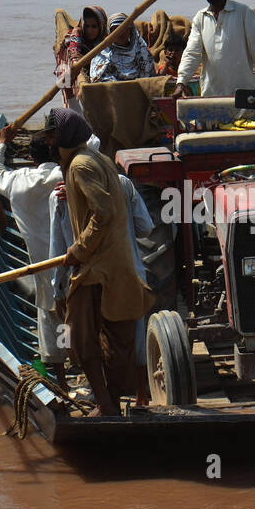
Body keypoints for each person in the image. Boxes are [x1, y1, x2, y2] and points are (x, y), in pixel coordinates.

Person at [43, 108, 151, 417]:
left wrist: (78, 249)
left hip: (96, 268)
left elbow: (102, 213)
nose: (50, 141)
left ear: (64, 137)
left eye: (52, 135)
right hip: (120, 267)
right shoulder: (102, 160)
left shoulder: (79, 166)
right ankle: (113, 403)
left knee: (79, 336)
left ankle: (105, 403)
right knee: (118, 338)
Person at [51, 171, 155, 407]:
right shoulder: (123, 183)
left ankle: (105, 402)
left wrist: (57, 290)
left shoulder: (60, 195)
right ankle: (140, 395)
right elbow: (146, 227)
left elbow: (58, 250)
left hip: (86, 280)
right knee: (131, 337)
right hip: (129, 275)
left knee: (88, 341)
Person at [0, 124, 66, 383]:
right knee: (81, 311)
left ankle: (61, 379)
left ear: (32, 159)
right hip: (75, 258)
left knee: (50, 313)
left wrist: (2, 142)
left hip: (41, 265)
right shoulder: (70, 175)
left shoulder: (17, 182)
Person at [55, 5, 107, 113]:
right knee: (66, 72)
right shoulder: (77, 33)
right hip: (73, 65)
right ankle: (73, 104)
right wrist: (77, 62)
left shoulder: (106, 39)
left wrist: (89, 60)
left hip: (91, 63)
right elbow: (74, 51)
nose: (89, 30)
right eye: (87, 26)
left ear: (101, 26)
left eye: (94, 26)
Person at [88, 12, 157, 83]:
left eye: (124, 29)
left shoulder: (141, 51)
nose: (121, 33)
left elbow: (149, 77)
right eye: (116, 30)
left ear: (130, 31)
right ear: (110, 32)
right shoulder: (103, 54)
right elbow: (98, 79)